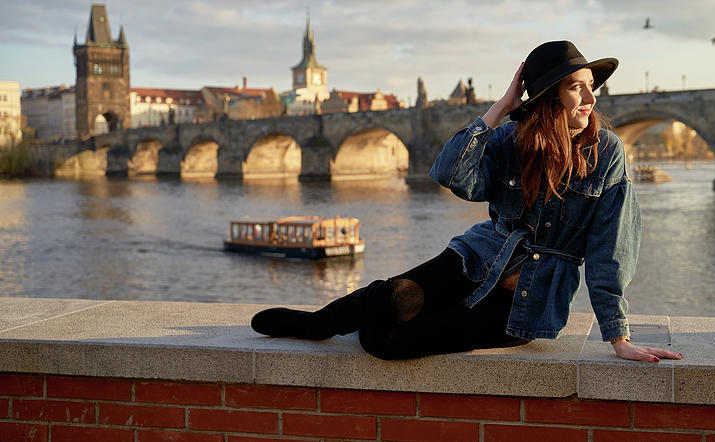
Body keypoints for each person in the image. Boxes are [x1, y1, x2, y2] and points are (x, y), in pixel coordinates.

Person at [251, 40, 682, 363]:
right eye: (577, 88)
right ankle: (318, 324)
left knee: (387, 341)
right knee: (394, 295)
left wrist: (618, 336)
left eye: (591, 88)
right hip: (475, 256)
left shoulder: (607, 152)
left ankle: (360, 323)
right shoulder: (509, 139)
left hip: (529, 295)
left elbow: (612, 249)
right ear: (549, 97)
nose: (591, 99)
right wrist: (498, 109)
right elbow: (448, 175)